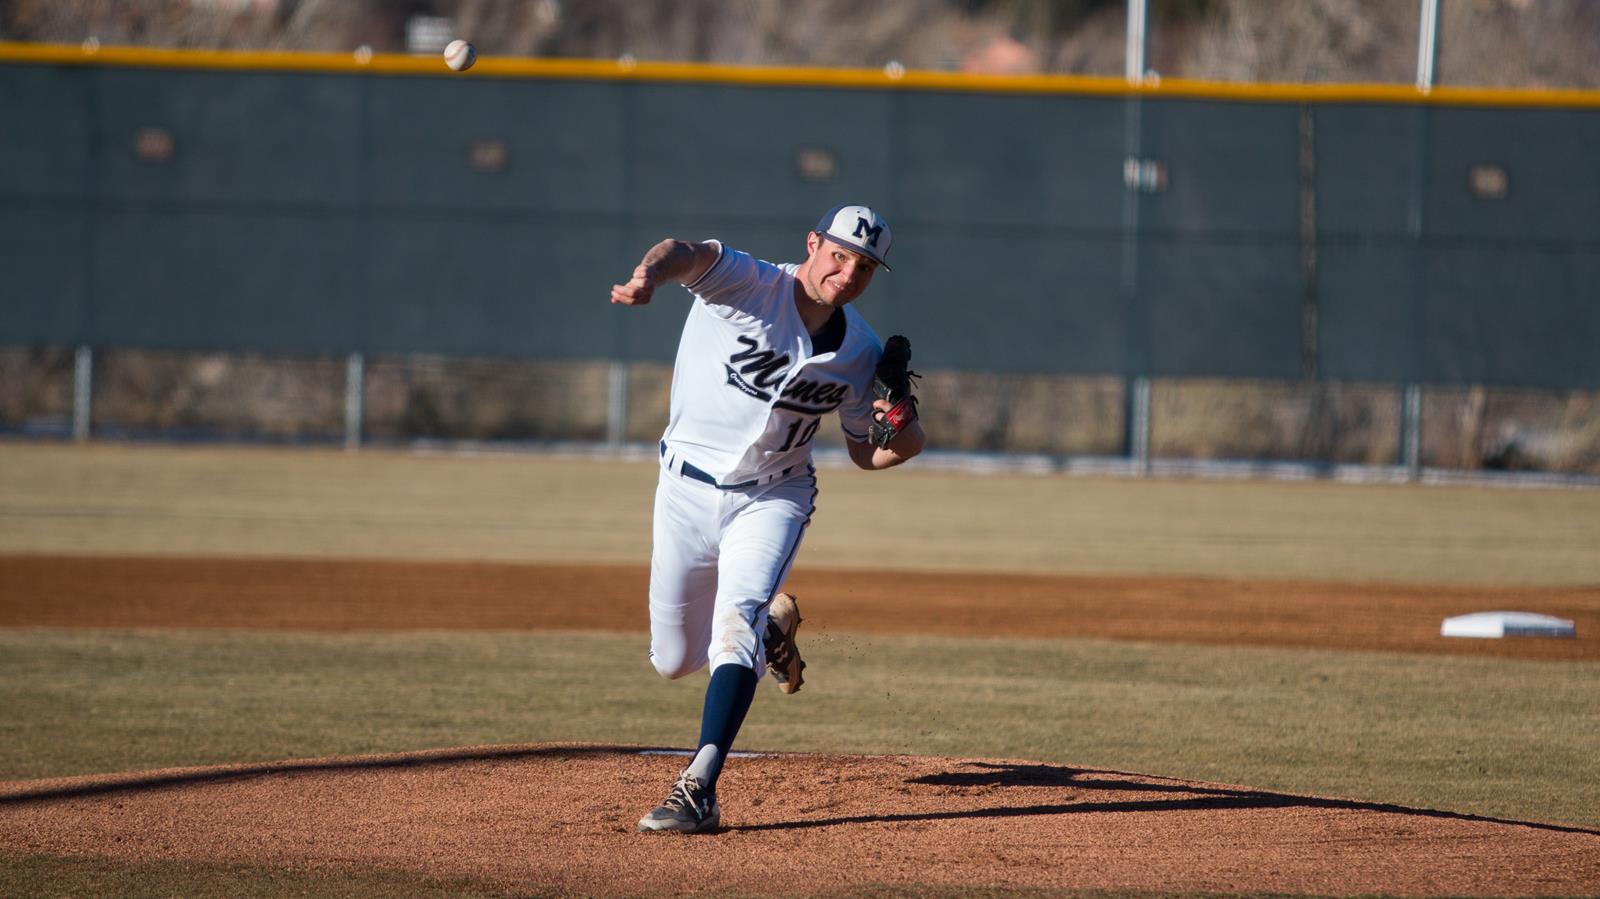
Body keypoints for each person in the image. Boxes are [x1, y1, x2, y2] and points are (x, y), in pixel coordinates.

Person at [609, 204, 926, 833]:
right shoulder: (748, 283)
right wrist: (650, 275)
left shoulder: (860, 351)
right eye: (839, 254)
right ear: (813, 243)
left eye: (864, 265)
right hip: (683, 493)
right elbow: (682, 250)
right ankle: (772, 630)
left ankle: (698, 787)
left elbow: (869, 453)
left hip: (773, 496)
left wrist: (906, 429)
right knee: (672, 660)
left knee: (733, 626)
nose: (848, 272)